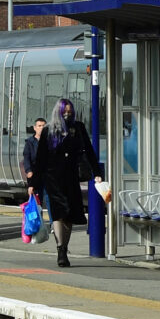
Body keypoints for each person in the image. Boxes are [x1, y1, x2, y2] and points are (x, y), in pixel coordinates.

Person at [34, 98, 101, 268]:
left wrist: (97, 173)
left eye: (70, 112)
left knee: (70, 214)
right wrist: (33, 184)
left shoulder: (78, 128)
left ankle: (64, 246)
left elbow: (89, 151)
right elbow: (40, 159)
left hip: (71, 177)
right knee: (58, 213)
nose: (67, 114)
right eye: (65, 111)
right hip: (53, 178)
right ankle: (60, 249)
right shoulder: (49, 130)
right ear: (58, 112)